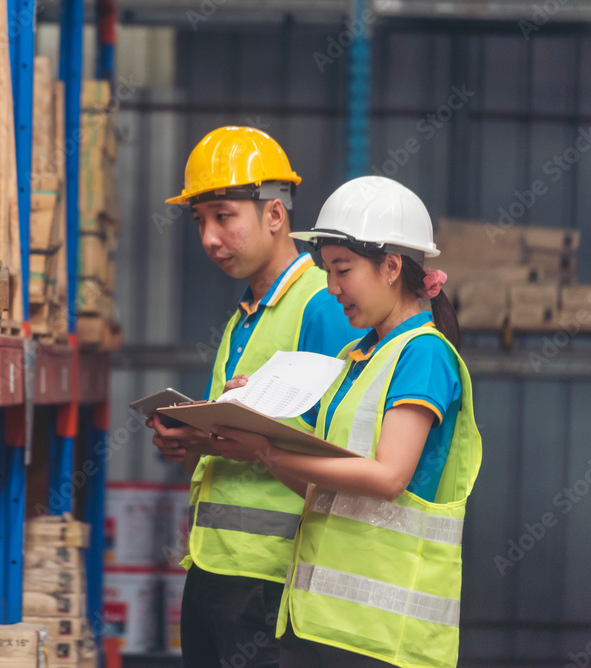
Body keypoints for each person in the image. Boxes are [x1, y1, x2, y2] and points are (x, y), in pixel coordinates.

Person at [209, 176, 483, 668]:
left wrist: (270, 451)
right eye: (327, 271)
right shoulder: (357, 357)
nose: (332, 289)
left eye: (342, 270)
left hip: (382, 638)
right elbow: (324, 489)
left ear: (392, 266)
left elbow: (388, 476)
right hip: (322, 627)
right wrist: (256, 435)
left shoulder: (423, 354)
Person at [149, 126, 362, 668]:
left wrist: (253, 436)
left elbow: (341, 453)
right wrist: (192, 440)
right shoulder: (245, 316)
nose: (209, 238)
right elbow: (229, 438)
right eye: (200, 221)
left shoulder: (323, 306)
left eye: (224, 215)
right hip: (214, 570)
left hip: (273, 582)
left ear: (274, 215)